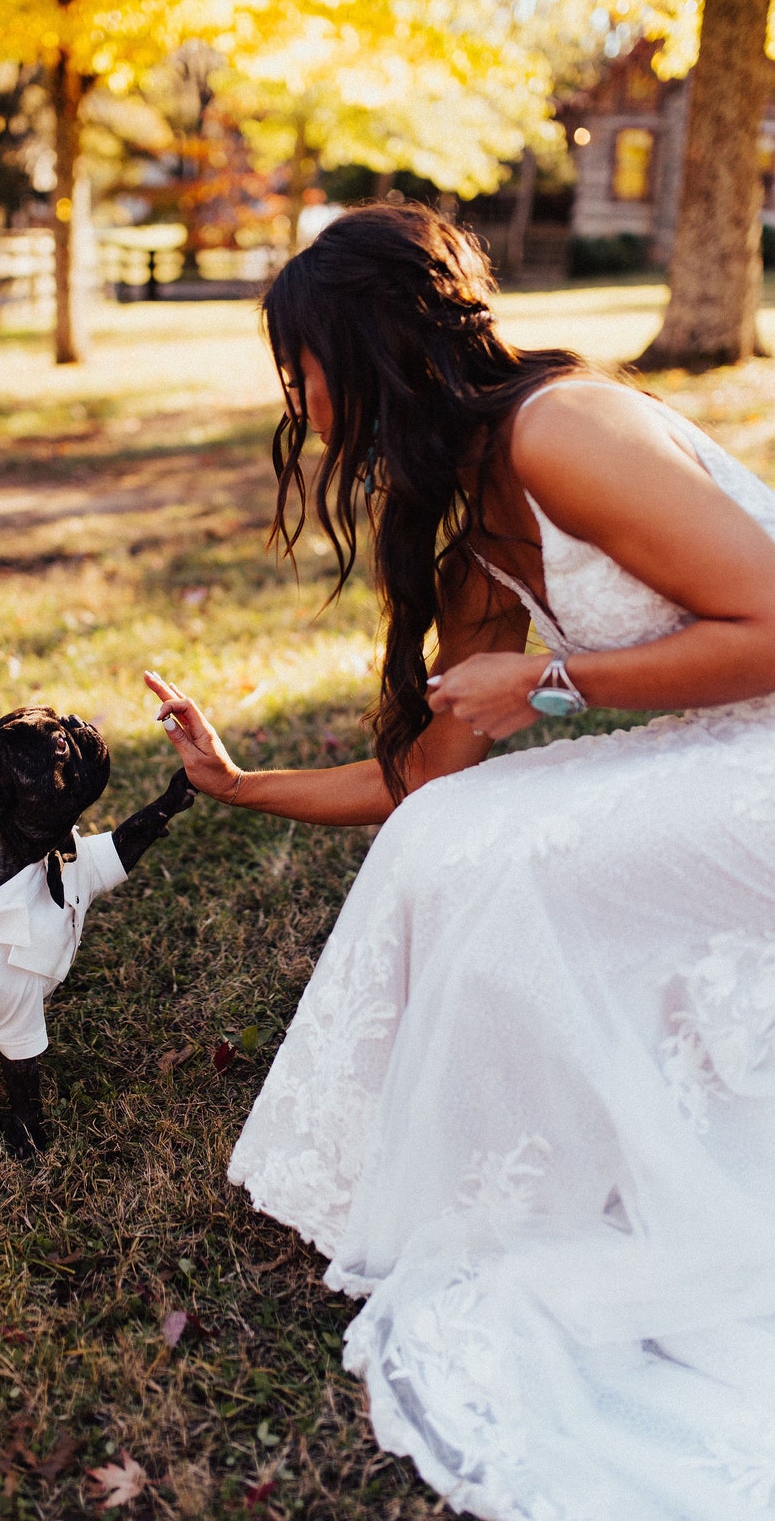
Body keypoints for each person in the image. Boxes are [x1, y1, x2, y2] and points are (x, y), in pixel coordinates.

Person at [144, 202, 775, 1521]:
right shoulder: (476, 507)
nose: (292, 398)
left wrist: (553, 685)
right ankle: (502, 1165)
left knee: (521, 844)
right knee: (461, 833)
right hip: (731, 753)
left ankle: (550, 1170)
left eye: (297, 363)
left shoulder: (562, 432)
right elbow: (422, 782)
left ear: (364, 344)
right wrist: (241, 783)